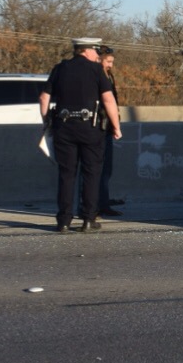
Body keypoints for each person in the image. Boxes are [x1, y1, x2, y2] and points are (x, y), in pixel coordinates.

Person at [39, 38, 121, 232]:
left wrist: (46, 122)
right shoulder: (96, 70)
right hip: (90, 128)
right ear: (86, 51)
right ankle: (88, 219)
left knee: (66, 174)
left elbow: (44, 97)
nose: (97, 55)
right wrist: (116, 127)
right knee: (91, 173)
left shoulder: (60, 68)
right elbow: (108, 99)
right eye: (95, 51)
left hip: (64, 127)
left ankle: (63, 221)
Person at [95, 46, 123, 217]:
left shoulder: (108, 76)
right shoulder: (95, 76)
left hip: (107, 127)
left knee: (107, 169)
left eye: (112, 62)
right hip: (97, 127)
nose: (110, 65)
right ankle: (94, 205)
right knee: (96, 169)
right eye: (108, 61)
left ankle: (103, 203)